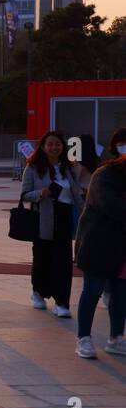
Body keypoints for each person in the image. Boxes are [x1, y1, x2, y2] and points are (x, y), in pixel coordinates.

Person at [74, 127, 126, 358]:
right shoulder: (104, 174)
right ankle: (84, 338)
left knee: (120, 293)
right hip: (98, 242)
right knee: (93, 291)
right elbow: (112, 207)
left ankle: (116, 338)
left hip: (122, 246)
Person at [21, 130, 84, 317]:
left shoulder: (68, 168)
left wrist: (85, 214)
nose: (54, 147)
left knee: (63, 261)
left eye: (58, 144)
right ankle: (38, 292)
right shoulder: (32, 168)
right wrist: (41, 193)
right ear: (43, 147)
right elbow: (25, 195)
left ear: (63, 147)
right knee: (42, 257)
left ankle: (62, 302)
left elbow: (76, 194)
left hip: (64, 216)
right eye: (50, 144)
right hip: (43, 217)